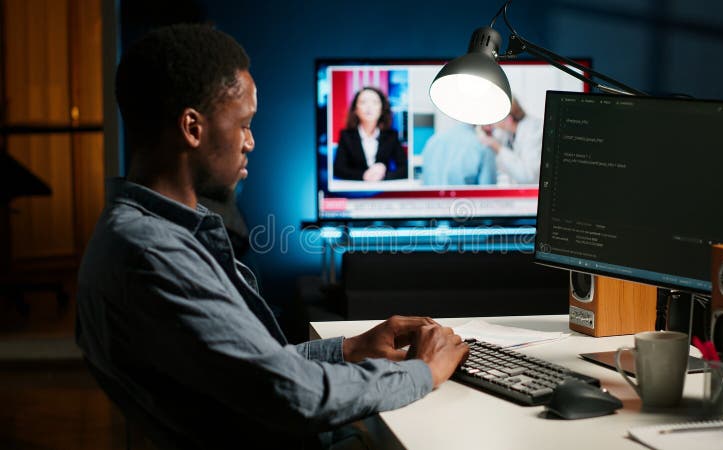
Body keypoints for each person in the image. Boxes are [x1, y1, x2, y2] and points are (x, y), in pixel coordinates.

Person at [76, 24, 468, 449]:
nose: (251, 141)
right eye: (244, 124)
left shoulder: (148, 232)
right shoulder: (154, 252)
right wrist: (423, 372)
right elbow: (294, 397)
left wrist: (350, 348)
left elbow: (253, 370)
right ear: (192, 127)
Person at [332, 87, 408, 181]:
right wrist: (363, 175)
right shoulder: (346, 136)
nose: (369, 106)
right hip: (355, 190)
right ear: (355, 110)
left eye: (375, 102)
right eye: (363, 102)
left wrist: (383, 176)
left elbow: (405, 169)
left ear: (382, 109)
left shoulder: (391, 136)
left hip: (382, 191)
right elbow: (338, 169)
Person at [478, 98, 544, 185]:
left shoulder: (533, 131)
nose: (491, 121)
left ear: (509, 119)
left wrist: (498, 147)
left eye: (494, 117)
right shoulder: (508, 132)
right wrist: (488, 134)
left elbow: (528, 176)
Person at [421, 122, 496, 186]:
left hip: (432, 203)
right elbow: (488, 196)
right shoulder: (483, 146)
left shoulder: (432, 141)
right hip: (465, 202)